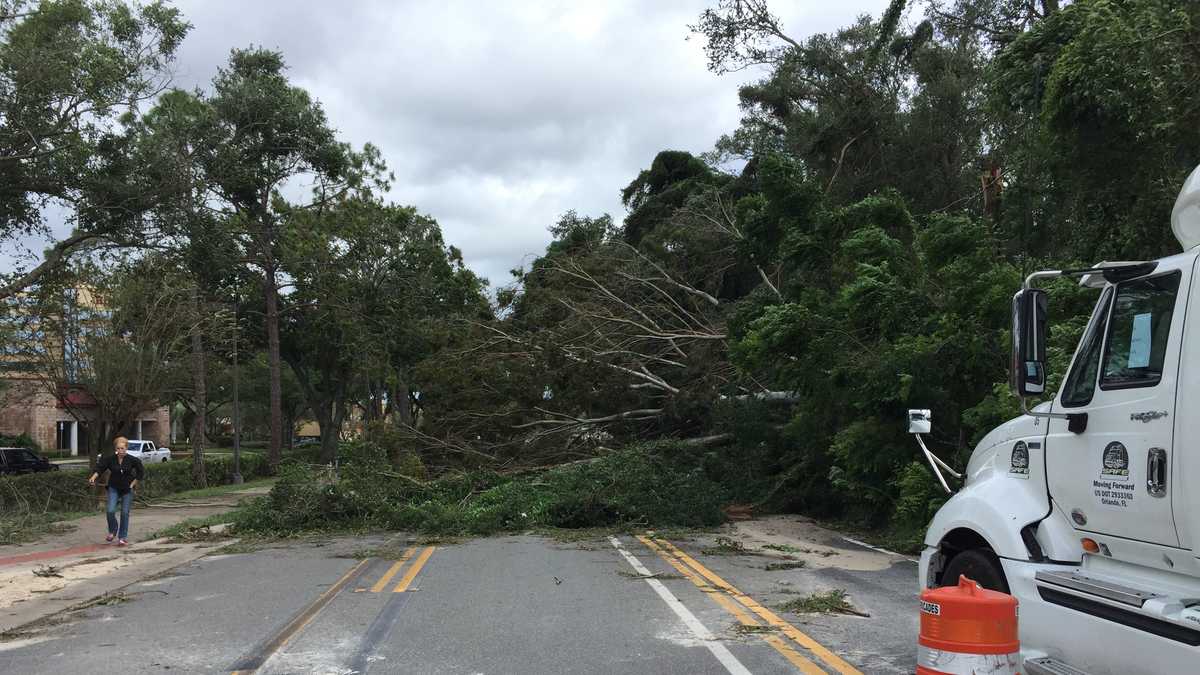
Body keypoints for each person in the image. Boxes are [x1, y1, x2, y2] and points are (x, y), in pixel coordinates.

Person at [88, 436, 144, 546]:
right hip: (114, 488)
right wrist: (93, 477)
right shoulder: (110, 459)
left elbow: (140, 472)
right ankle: (113, 530)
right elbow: (100, 468)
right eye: (118, 448)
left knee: (124, 513)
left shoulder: (133, 460)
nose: (120, 451)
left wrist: (133, 484)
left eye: (122, 448)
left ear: (126, 448)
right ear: (116, 449)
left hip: (127, 489)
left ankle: (122, 537)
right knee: (110, 510)